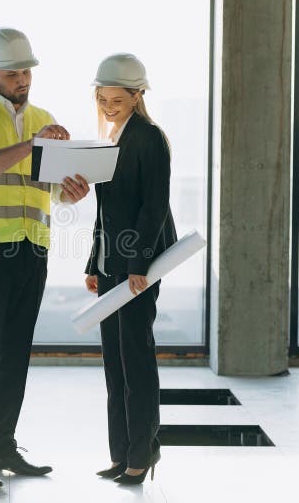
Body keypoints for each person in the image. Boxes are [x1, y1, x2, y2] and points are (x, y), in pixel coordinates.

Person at [0, 27, 90, 490]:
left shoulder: (46, 118)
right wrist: (34, 143)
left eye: (26, 72)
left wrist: (72, 191)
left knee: (13, 355)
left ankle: (2, 447)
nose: (22, 80)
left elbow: (50, 189)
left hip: (33, 249)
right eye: (12, 73)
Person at [83, 53, 177, 485]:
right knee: (114, 365)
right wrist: (93, 263)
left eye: (116, 100)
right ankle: (121, 453)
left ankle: (143, 451)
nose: (108, 107)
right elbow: (105, 210)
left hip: (136, 267)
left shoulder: (149, 138)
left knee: (136, 362)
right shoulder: (110, 136)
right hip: (110, 266)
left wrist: (140, 263)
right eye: (102, 99)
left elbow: (153, 206)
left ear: (138, 96)